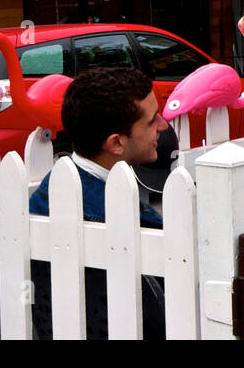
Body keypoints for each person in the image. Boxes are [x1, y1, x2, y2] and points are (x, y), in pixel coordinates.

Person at [29, 67, 170, 339]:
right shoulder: (109, 220)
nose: (163, 126)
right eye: (152, 121)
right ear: (116, 143)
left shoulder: (45, 199)